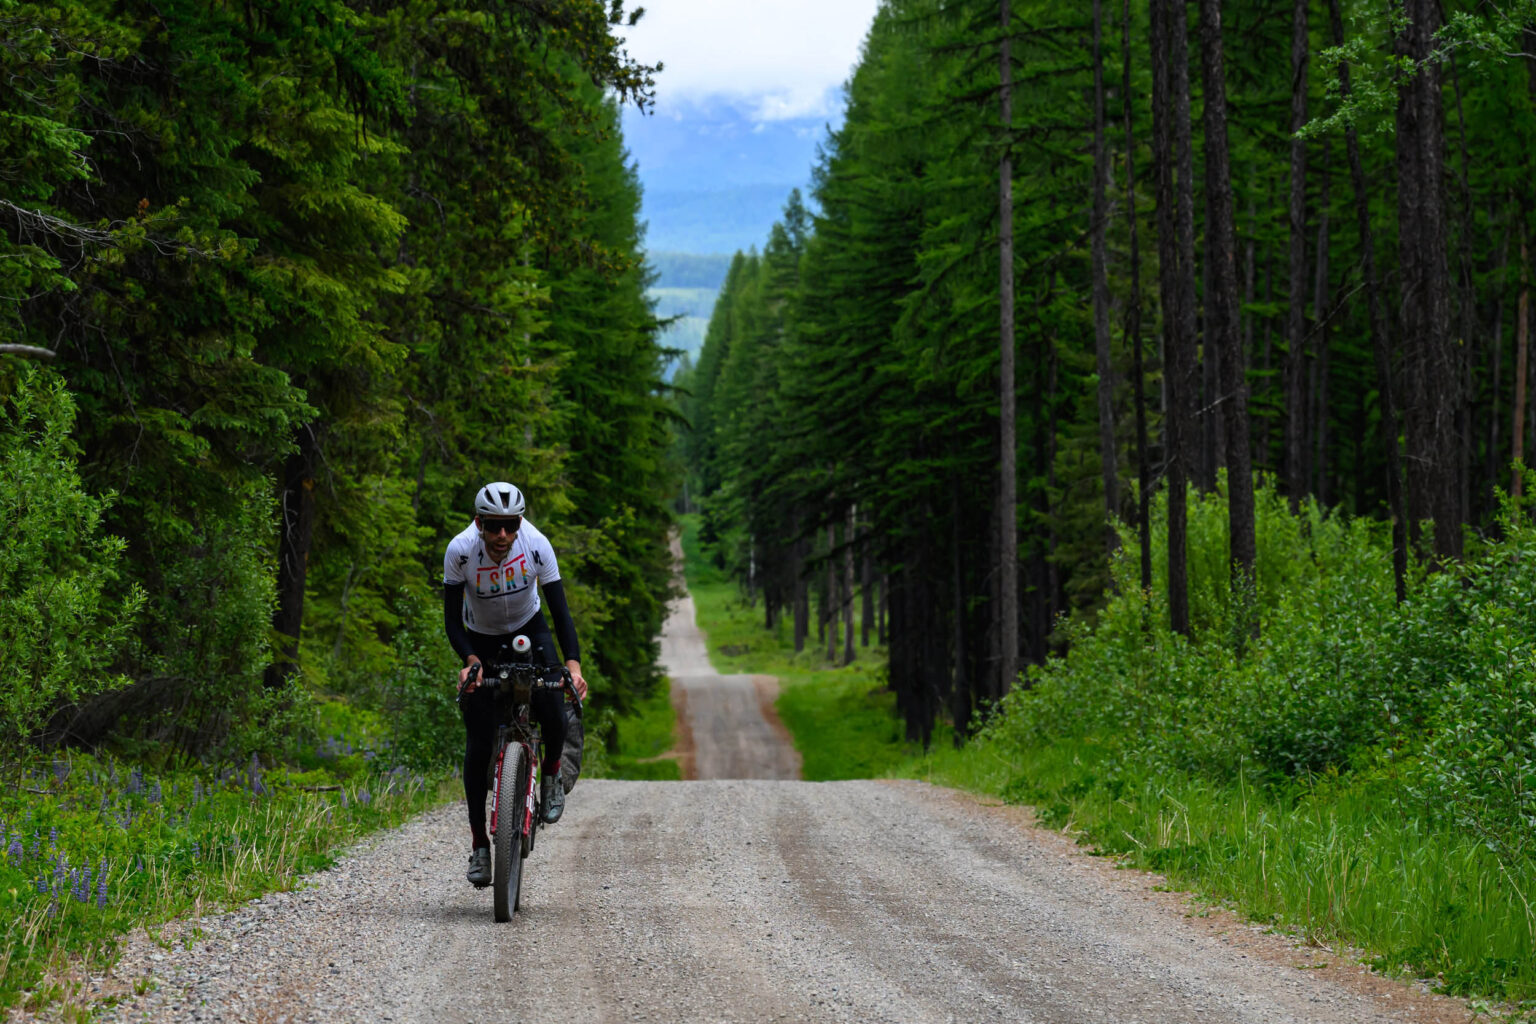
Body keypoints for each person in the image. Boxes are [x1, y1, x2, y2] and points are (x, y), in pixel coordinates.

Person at [443, 481, 588, 887]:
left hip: (530, 627)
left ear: (519, 523)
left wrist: (573, 667)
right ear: (480, 523)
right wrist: (470, 662)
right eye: (493, 527)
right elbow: (452, 620)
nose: (502, 535)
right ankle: (479, 846)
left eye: (510, 525)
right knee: (478, 738)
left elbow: (560, 612)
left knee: (554, 703)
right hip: (482, 639)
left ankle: (552, 774)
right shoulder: (460, 551)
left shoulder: (537, 544)